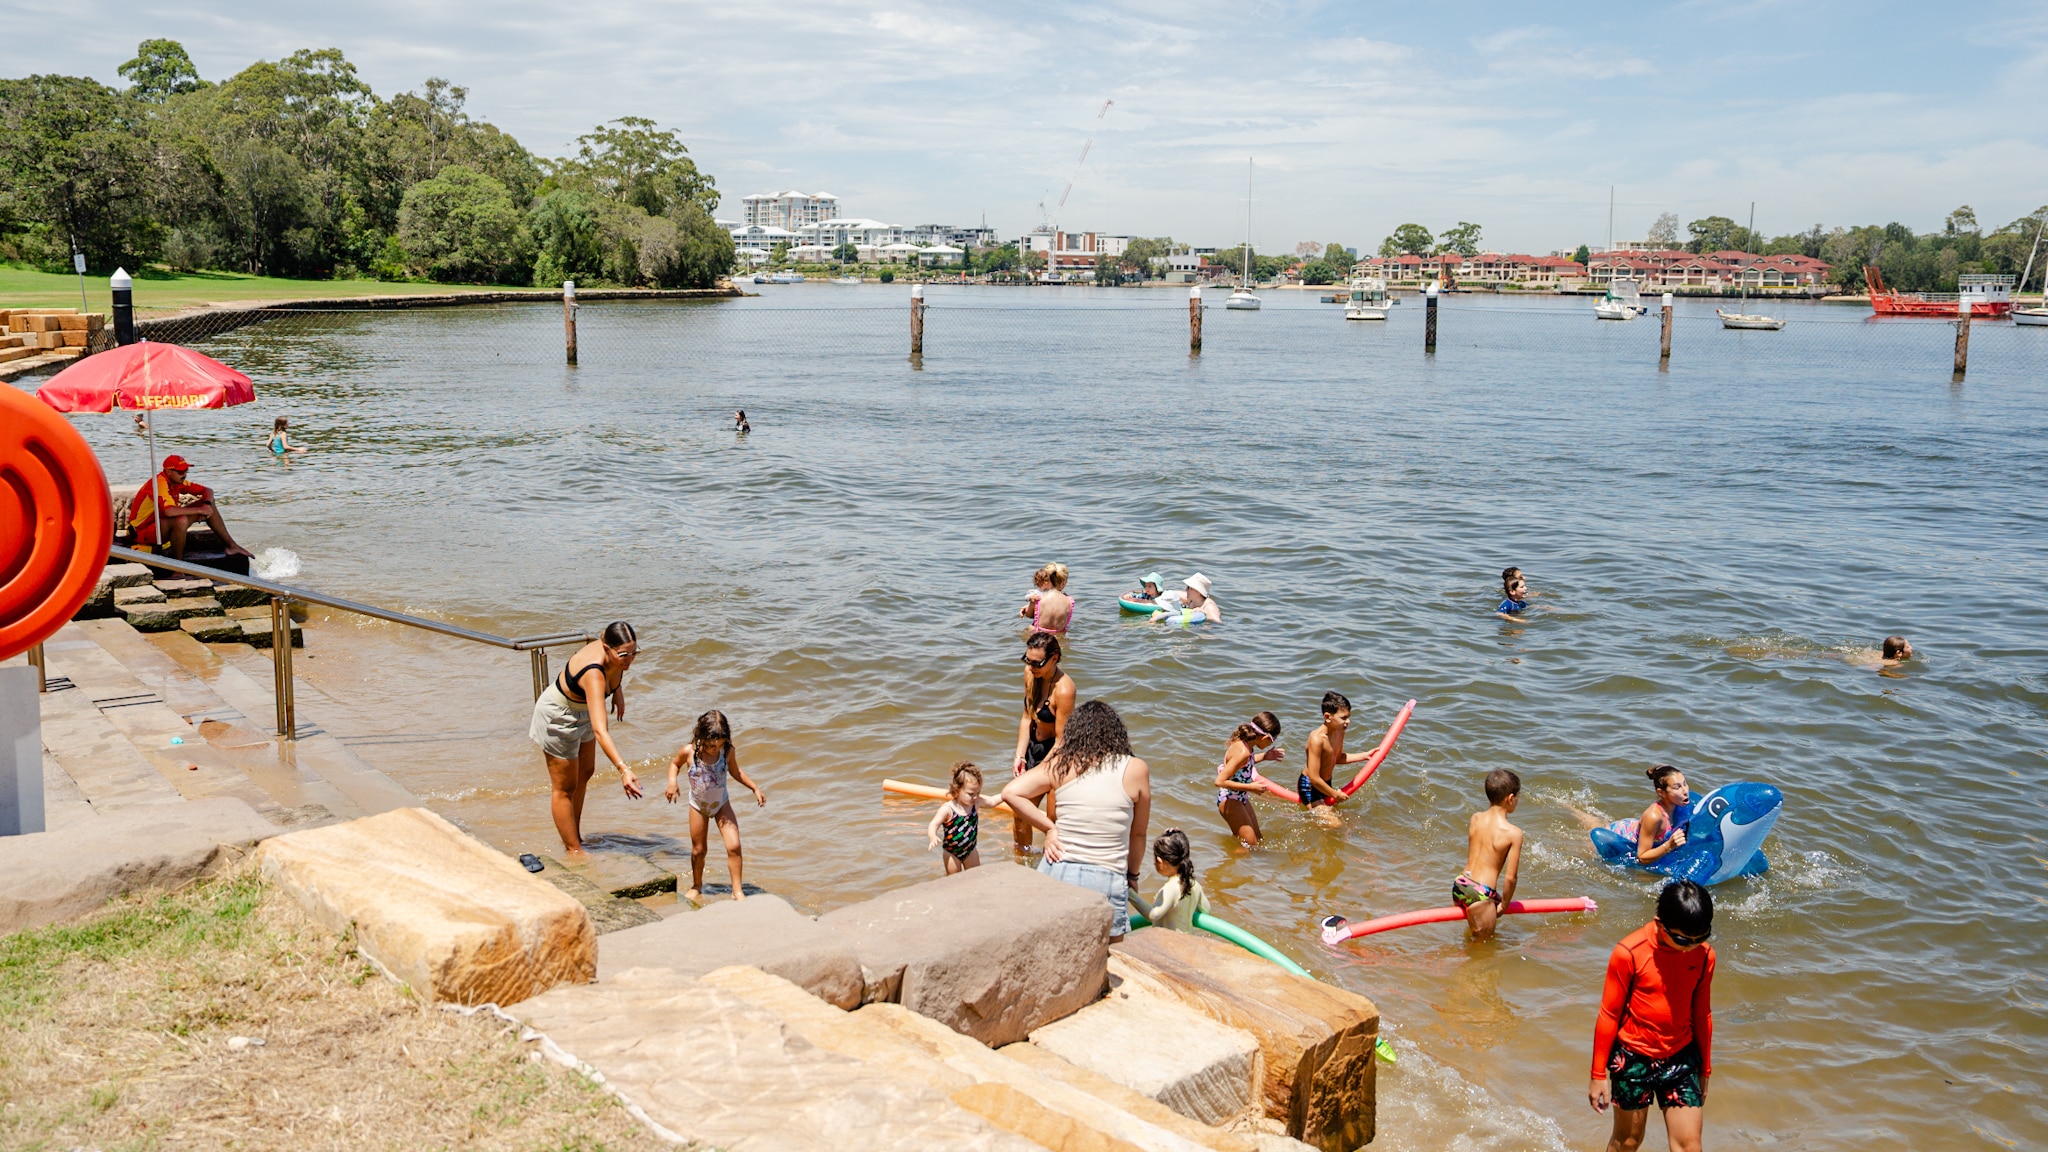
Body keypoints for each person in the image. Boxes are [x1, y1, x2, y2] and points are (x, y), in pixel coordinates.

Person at [1002, 700, 1152, 942]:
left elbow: (1011, 792)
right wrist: (1132, 876)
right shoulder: (1136, 768)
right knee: (1107, 952)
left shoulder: (1062, 763)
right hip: (1106, 876)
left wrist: (1049, 828)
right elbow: (1139, 834)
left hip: (1057, 869)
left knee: (1052, 947)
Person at [1589, 880, 1716, 1152]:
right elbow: (1609, 1014)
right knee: (1628, 1141)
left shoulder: (1704, 956)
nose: (1691, 947)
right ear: (1660, 924)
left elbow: (1702, 1014)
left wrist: (1705, 1070)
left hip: (1681, 1057)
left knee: (1689, 1145)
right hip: (1633, 1057)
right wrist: (1598, 1073)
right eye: (1682, 939)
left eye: (1701, 937)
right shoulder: (1629, 952)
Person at [529, 622, 644, 855]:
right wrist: (623, 769)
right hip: (559, 716)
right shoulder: (594, 674)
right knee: (564, 787)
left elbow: (615, 665)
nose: (630, 659)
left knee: (585, 772)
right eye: (624, 655)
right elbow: (601, 731)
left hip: (585, 709)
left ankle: (575, 837)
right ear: (606, 648)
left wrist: (617, 691)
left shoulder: (616, 655)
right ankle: (574, 852)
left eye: (635, 653)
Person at [664, 709, 766, 901]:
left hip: (721, 804)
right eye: (711, 745)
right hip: (698, 806)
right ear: (701, 736)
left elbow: (736, 772)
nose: (715, 749)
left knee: (734, 845)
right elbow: (674, 764)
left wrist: (754, 788)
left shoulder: (727, 752)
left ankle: (737, 890)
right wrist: (672, 782)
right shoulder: (689, 751)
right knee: (699, 850)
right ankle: (697, 885)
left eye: (720, 744)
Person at [1011, 632, 1076, 854]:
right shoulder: (1030, 674)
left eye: (1037, 663)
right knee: (1020, 813)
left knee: (1053, 819)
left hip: (1057, 755)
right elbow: (1026, 717)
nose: (1031, 667)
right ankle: (1023, 859)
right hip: (1034, 749)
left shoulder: (1064, 690)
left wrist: (1040, 771)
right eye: (1027, 660)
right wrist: (1020, 755)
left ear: (1054, 658)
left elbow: (1061, 740)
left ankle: (1055, 863)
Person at [128, 456, 253, 560]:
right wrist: (200, 510)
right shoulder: (159, 483)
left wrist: (206, 505)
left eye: (186, 470)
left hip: (160, 524)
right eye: (180, 472)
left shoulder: (177, 481)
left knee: (208, 502)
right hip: (140, 531)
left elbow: (207, 490)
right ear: (168, 471)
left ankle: (231, 546)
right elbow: (169, 511)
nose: (184, 474)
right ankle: (177, 566)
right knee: (180, 520)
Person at [1454, 768, 1524, 938]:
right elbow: (1511, 878)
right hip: (1481, 893)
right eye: (1518, 797)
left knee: (1474, 938)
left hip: (1461, 884)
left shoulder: (1476, 818)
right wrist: (1504, 905)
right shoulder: (1513, 833)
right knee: (1483, 947)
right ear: (1510, 798)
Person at [1299, 691, 1374, 823]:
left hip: (1326, 784)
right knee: (1335, 824)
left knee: (1344, 820)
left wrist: (1364, 755)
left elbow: (1337, 758)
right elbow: (1314, 778)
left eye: (1349, 717)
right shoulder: (1317, 739)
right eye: (1343, 718)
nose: (1348, 721)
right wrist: (1334, 794)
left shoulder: (1340, 732)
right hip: (1310, 786)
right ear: (1328, 717)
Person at [1213, 711, 1285, 847]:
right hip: (1230, 800)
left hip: (1240, 798)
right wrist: (1251, 787)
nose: (1271, 743)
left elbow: (1244, 763)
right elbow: (1219, 781)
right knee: (1250, 846)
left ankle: (1234, 858)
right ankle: (1231, 860)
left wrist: (1265, 756)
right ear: (1265, 737)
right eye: (1273, 740)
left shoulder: (1247, 745)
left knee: (1258, 840)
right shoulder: (1243, 752)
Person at [926, 761, 999, 874]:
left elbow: (992, 802)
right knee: (955, 879)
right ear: (957, 790)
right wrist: (933, 836)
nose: (975, 797)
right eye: (971, 794)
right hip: (952, 853)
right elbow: (934, 824)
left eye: (978, 793)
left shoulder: (976, 803)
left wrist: (1006, 795)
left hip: (970, 850)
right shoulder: (948, 809)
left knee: (975, 876)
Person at [1129, 828, 1207, 932]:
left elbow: (1153, 914)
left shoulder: (1170, 889)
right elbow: (1206, 910)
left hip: (1169, 941)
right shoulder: (1194, 885)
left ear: (1160, 861)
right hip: (1187, 939)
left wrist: (1130, 893)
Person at [1618, 764, 1693, 865]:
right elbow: (1641, 857)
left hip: (1639, 827)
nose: (1685, 791)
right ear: (1661, 793)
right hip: (1623, 835)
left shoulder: (1679, 805)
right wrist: (1669, 846)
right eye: (1677, 787)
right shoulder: (1654, 817)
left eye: (1685, 784)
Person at [1020, 562, 1075, 635]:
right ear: (1064, 582)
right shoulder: (1069, 601)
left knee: (1029, 629)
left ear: (1047, 580)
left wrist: (1029, 606)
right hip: (1058, 636)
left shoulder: (1038, 597)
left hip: (1039, 635)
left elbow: (1029, 615)